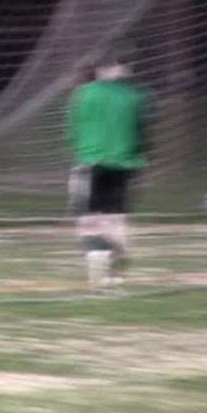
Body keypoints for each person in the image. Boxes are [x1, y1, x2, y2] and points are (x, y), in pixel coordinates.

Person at [66, 53, 150, 292]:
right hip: (125, 164)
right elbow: (142, 129)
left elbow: (73, 131)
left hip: (92, 161)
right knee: (117, 218)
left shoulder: (83, 93)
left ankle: (97, 270)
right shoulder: (135, 95)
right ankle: (117, 271)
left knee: (88, 219)